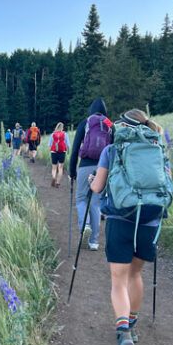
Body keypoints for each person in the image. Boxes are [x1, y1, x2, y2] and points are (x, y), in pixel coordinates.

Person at [87, 108, 172, 345]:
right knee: (136, 276)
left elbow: (98, 187)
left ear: (123, 127)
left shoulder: (112, 150)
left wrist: (92, 181)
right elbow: (166, 185)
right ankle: (133, 324)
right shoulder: (158, 149)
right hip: (150, 220)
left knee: (118, 280)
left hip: (120, 219)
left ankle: (123, 330)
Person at [69, 97, 111, 251]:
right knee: (95, 203)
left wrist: (72, 171)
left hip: (85, 165)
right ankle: (94, 242)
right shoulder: (109, 124)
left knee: (81, 199)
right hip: (103, 168)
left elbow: (74, 150)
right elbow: (113, 150)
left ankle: (85, 225)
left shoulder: (85, 123)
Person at [47, 122, 70, 187]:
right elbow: (68, 144)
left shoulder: (53, 134)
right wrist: (67, 151)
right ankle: (58, 182)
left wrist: (51, 150)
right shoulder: (65, 134)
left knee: (54, 167)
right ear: (62, 128)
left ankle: (54, 177)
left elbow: (49, 144)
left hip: (54, 152)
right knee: (60, 167)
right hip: (62, 152)